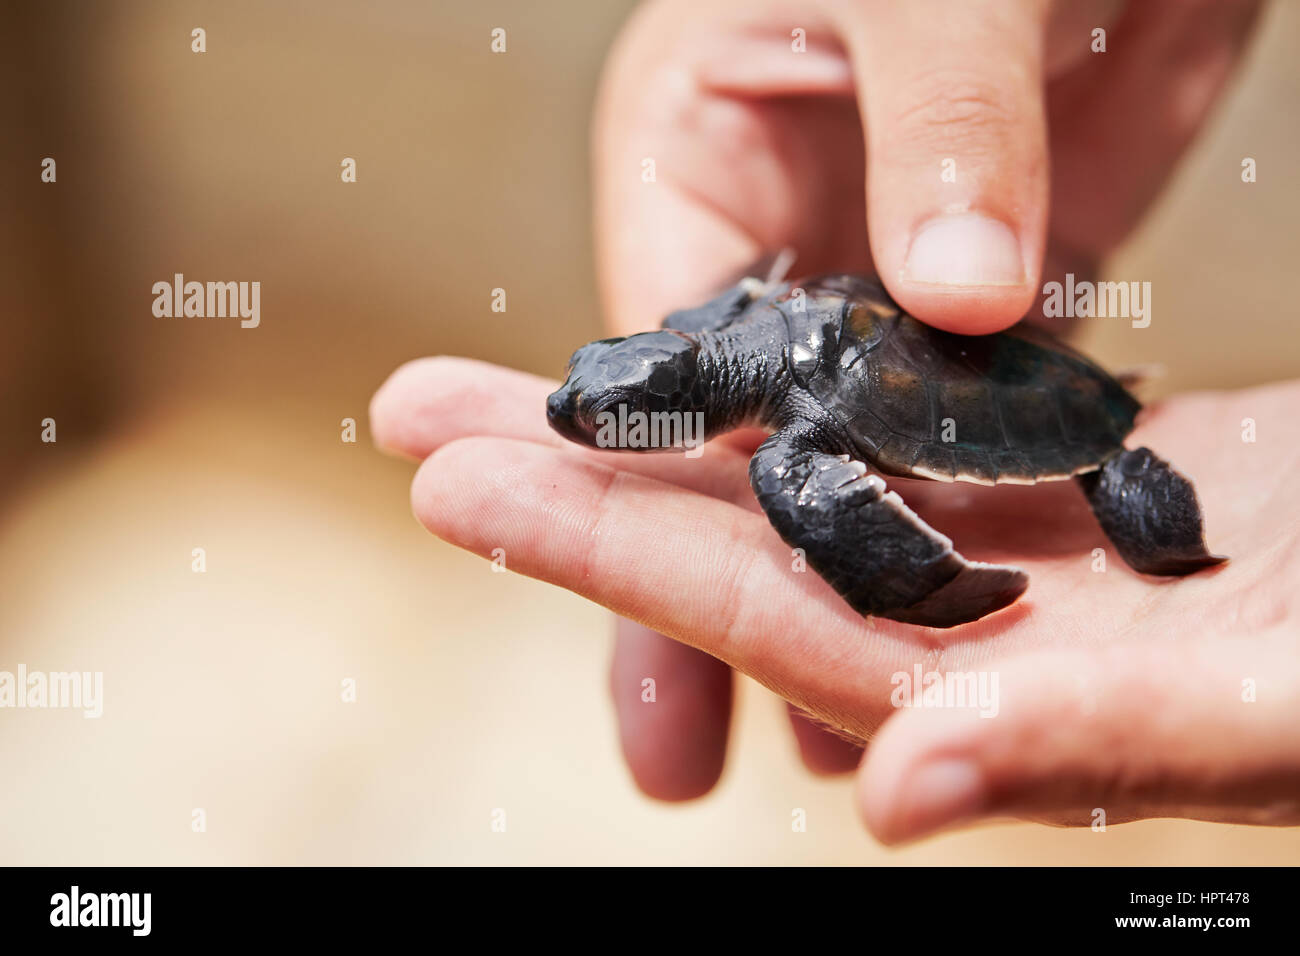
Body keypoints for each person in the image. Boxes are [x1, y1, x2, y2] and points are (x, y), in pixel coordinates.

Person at [371, 0, 1300, 845]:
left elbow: (772, 424)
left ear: (680, 406)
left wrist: (929, 588)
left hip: (1034, 396)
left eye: (610, 413)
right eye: (594, 393)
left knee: (1082, 494)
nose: (579, 412)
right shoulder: (731, 330)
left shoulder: (782, 429)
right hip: (871, 339)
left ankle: (1134, 499)